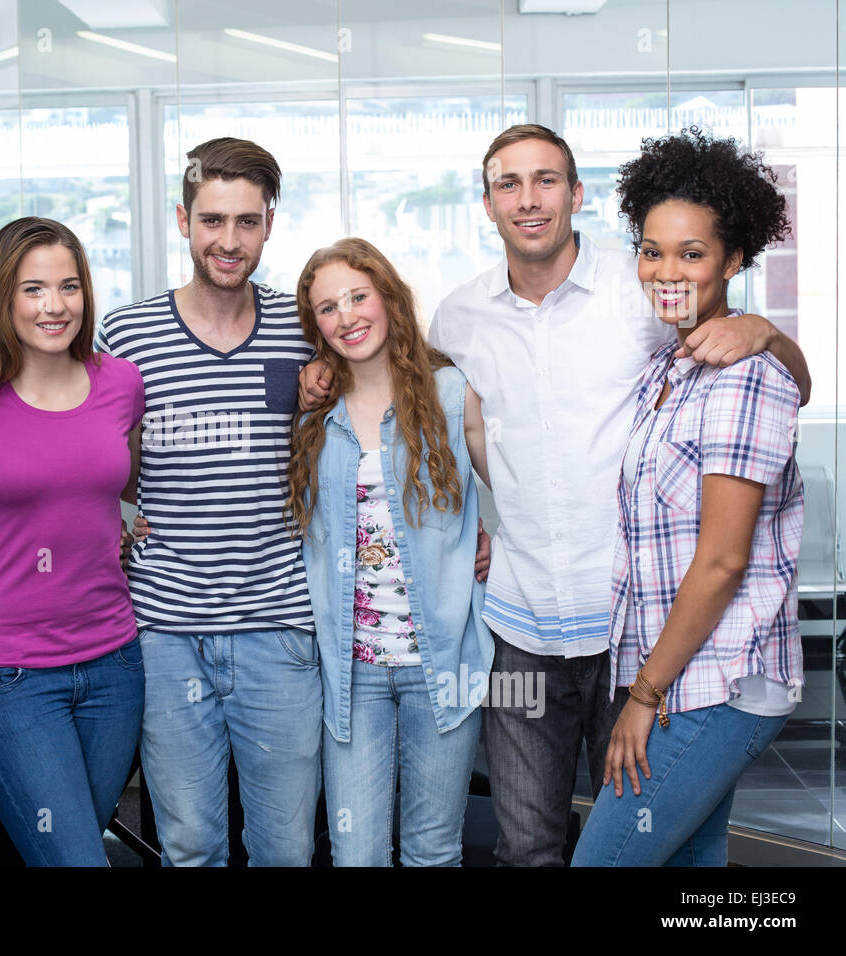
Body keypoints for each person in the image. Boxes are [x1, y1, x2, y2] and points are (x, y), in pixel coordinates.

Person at [298, 123, 810, 866]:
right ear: (487, 202)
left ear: (576, 194)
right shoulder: (460, 317)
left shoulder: (644, 294)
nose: (528, 200)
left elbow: (775, 385)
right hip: (518, 627)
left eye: (546, 181)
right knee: (526, 844)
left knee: (648, 838)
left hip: (634, 629)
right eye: (509, 183)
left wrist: (766, 332)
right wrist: (322, 374)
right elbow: (407, 401)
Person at [572, 130, 803, 866]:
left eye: (692, 253)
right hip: (681, 674)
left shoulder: (742, 374)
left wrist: (642, 698)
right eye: (652, 249)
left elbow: (721, 563)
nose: (666, 270)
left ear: (734, 259)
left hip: (713, 681)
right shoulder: (671, 366)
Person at [96, 137, 323, 866]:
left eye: (247, 222)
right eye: (212, 220)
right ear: (183, 220)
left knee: (285, 850)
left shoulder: (304, 326)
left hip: (281, 628)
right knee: (191, 848)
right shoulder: (126, 335)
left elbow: (400, 386)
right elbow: (100, 461)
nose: (229, 241)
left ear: (268, 225)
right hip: (166, 633)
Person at [0, 217, 145, 866]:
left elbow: (130, 484)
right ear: (3, 297)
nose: (55, 306)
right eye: (33, 289)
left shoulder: (121, 383)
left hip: (116, 662)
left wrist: (138, 528)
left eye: (69, 286)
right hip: (13, 673)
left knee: (57, 850)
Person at [287, 238, 493, 866]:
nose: (346, 316)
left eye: (357, 296)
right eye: (327, 308)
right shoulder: (315, 416)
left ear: (389, 297)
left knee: (433, 851)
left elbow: (516, 489)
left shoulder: (452, 393)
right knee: (357, 854)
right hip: (353, 674)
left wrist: (496, 540)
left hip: (443, 663)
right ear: (314, 325)